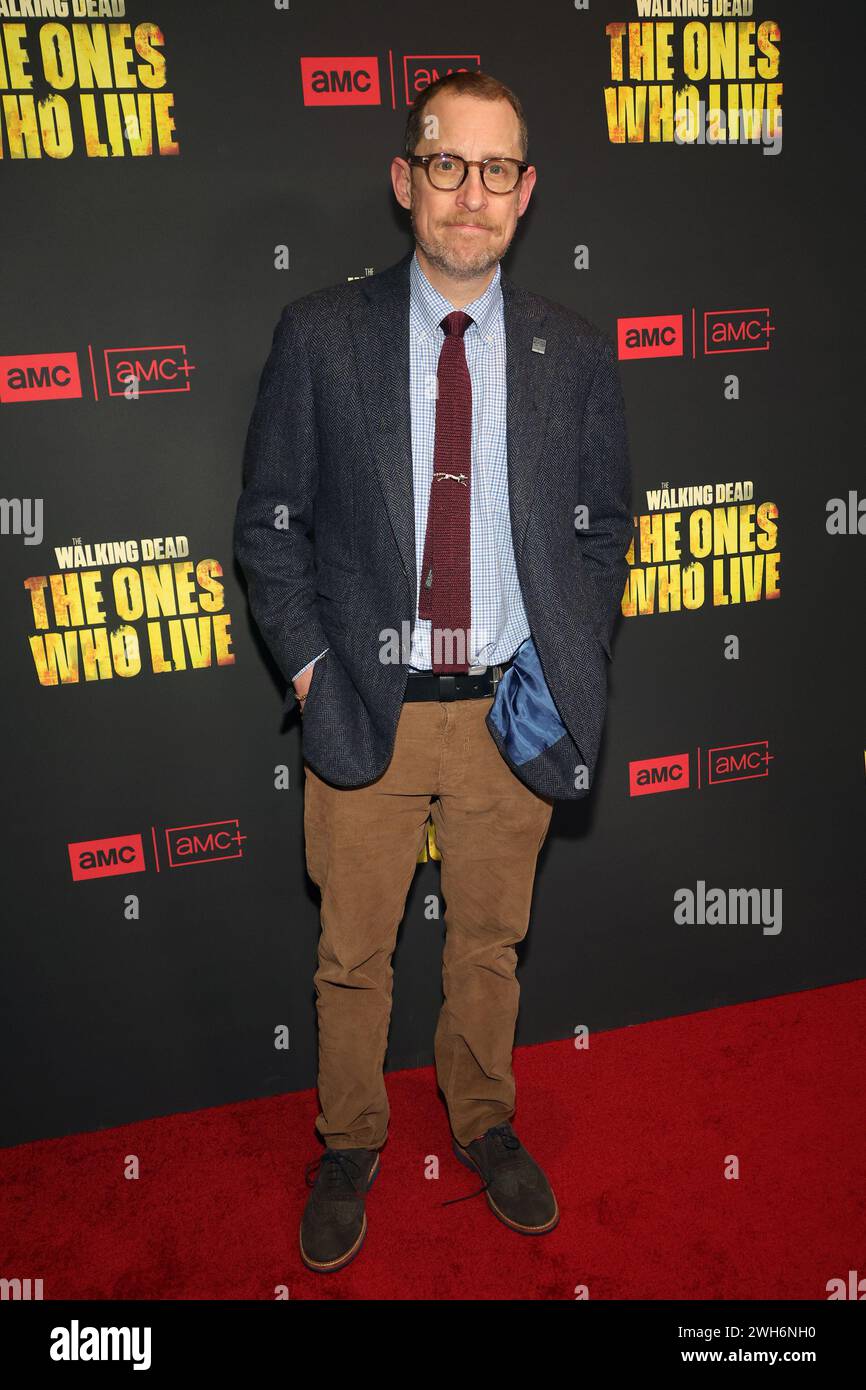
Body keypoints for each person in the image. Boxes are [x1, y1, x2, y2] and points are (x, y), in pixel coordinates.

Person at [233, 69, 632, 1274]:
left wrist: (567, 657)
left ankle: (483, 1119)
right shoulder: (320, 333)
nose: (472, 193)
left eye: (496, 168)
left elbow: (602, 527)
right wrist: (309, 675)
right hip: (367, 708)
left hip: (511, 711)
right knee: (351, 954)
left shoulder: (572, 349)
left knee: (487, 946)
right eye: (446, 165)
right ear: (406, 181)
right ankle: (349, 1140)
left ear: (525, 193)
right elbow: (268, 525)